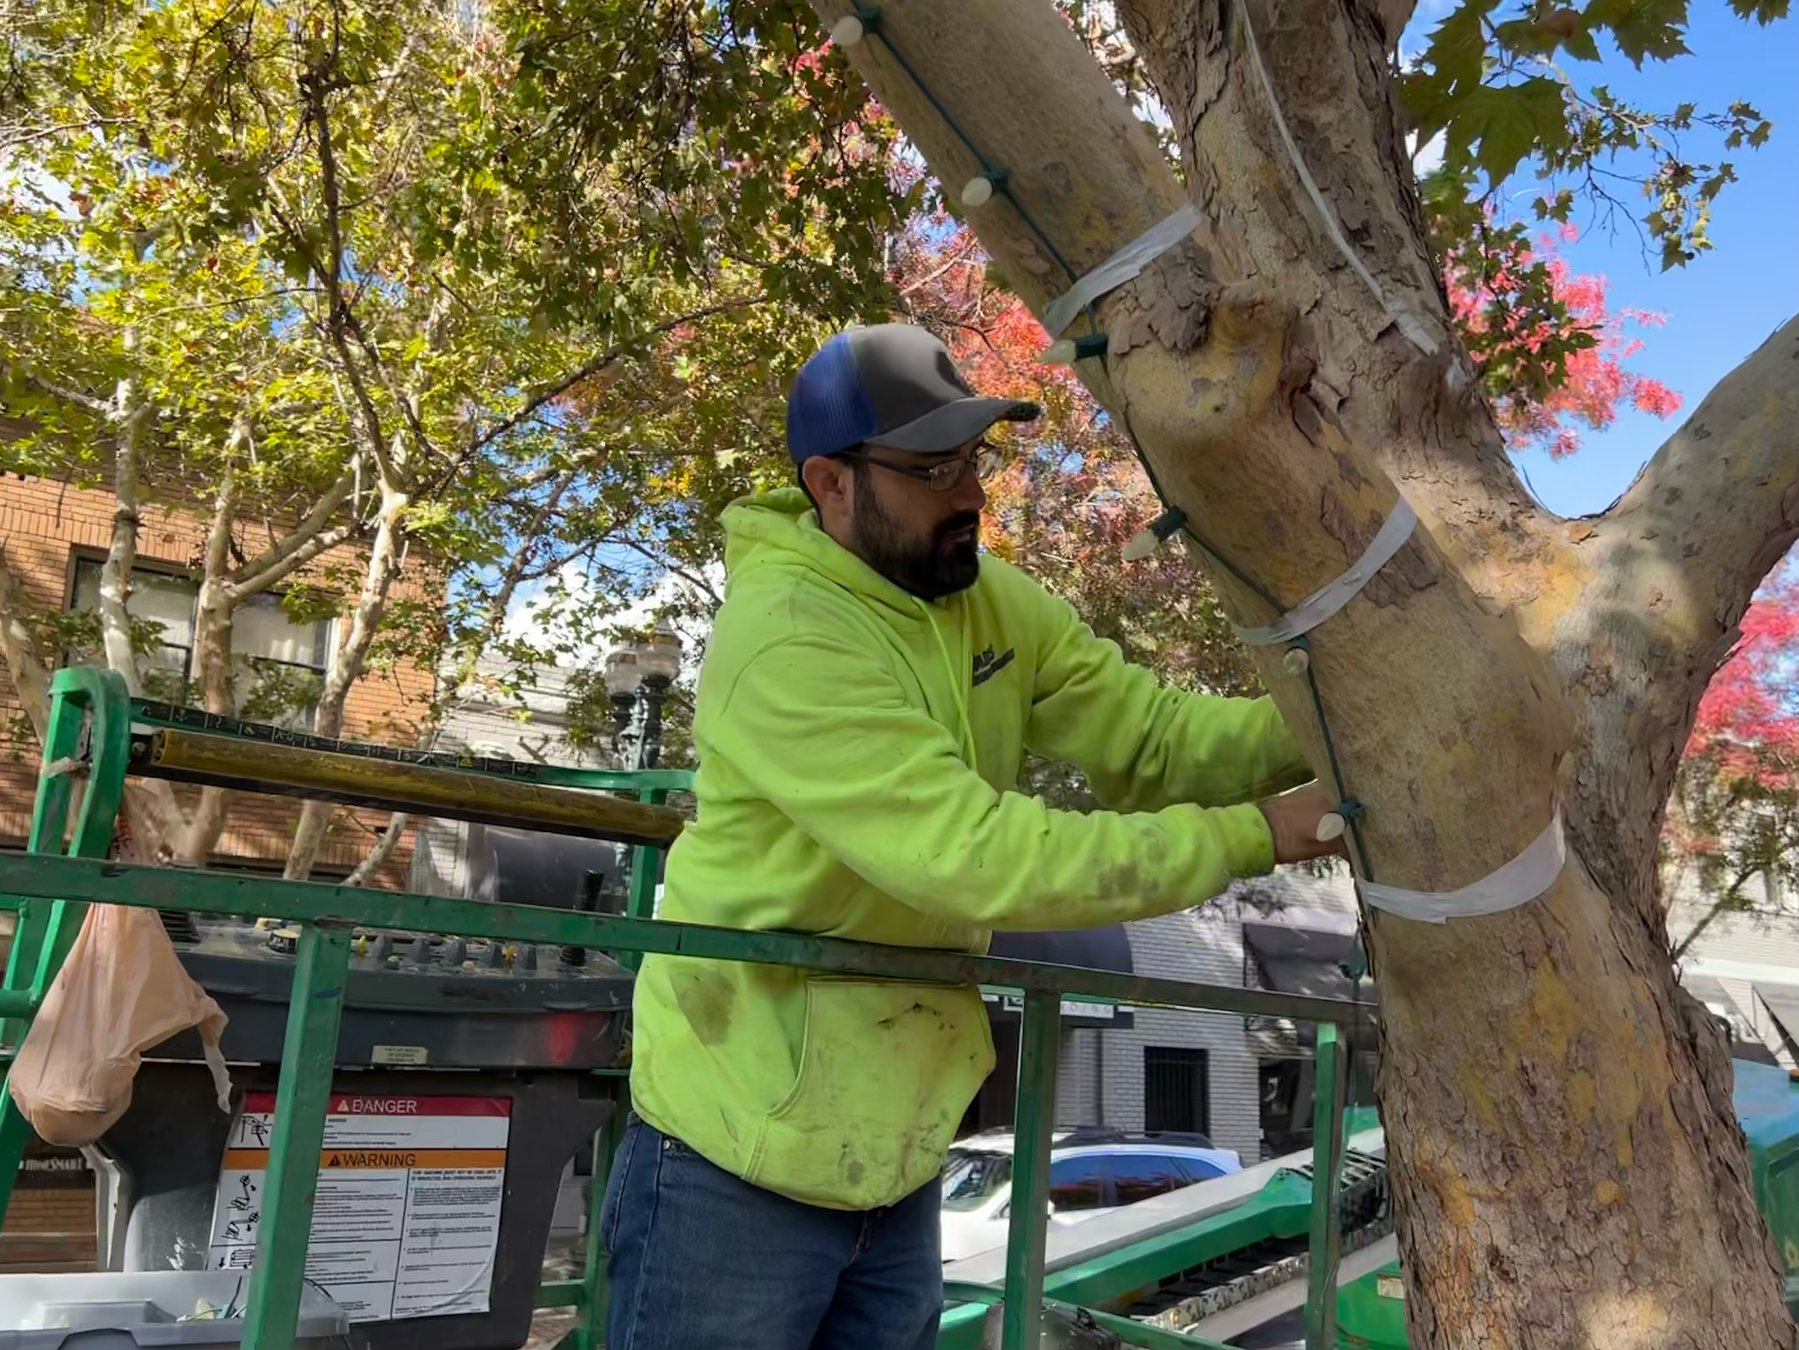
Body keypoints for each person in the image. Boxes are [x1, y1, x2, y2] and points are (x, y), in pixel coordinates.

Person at [602, 323, 1339, 1350]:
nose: (966, 495)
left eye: (971, 461)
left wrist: (1326, 714)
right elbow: (983, 859)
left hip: (894, 1144)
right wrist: (1260, 833)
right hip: (732, 1146)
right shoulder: (788, 637)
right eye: (929, 469)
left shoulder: (980, 599)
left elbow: (1152, 737)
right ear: (830, 484)